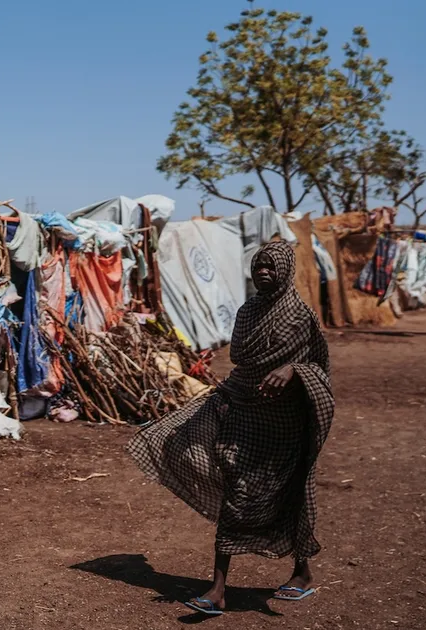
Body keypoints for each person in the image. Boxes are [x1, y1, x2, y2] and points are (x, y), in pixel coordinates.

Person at [127, 241, 335, 616]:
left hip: (286, 424)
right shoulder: (247, 311)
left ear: (286, 271)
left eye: (271, 266)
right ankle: (217, 589)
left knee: (290, 493)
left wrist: (293, 370)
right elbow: (241, 359)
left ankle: (302, 572)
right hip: (244, 412)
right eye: (258, 266)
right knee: (236, 494)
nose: (263, 272)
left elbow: (320, 367)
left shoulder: (301, 316)